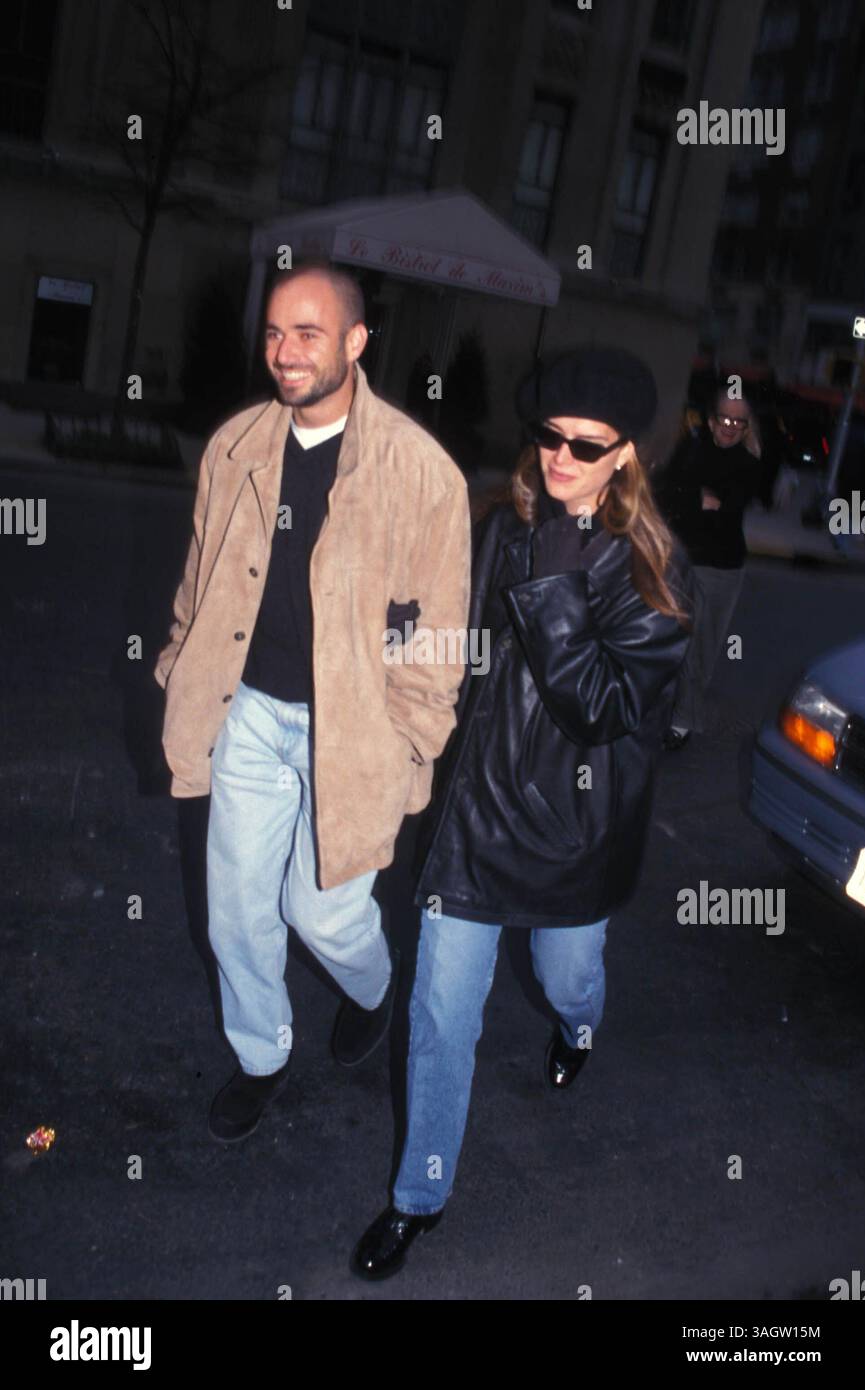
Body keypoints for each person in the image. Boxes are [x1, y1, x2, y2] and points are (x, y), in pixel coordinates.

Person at [351, 347, 693, 1279]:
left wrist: (550, 579)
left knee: (565, 975)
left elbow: (596, 708)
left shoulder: (652, 573)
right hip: (476, 818)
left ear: (625, 456)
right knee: (439, 1018)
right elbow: (466, 644)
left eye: (586, 446)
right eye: (549, 437)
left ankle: (581, 1027)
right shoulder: (504, 527)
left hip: (572, 830)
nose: (560, 457)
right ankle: (416, 1199)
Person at [154, 263, 470, 1143]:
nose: (285, 353)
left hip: (356, 729)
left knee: (321, 911)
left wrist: (413, 746)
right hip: (248, 710)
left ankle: (374, 987)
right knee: (235, 909)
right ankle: (261, 1055)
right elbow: (201, 574)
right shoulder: (237, 445)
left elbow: (440, 640)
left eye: (308, 334)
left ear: (356, 342)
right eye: (274, 334)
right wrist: (179, 665)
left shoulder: (421, 472)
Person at [654, 386, 764, 748]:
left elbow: (725, 509)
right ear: (712, 420)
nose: (730, 427)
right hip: (679, 558)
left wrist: (688, 496)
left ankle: (682, 722)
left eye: (738, 421)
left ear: (745, 427)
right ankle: (651, 709)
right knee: (660, 637)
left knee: (700, 648)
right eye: (724, 419)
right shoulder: (691, 448)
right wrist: (695, 497)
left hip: (720, 569)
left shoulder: (747, 465)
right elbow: (662, 490)